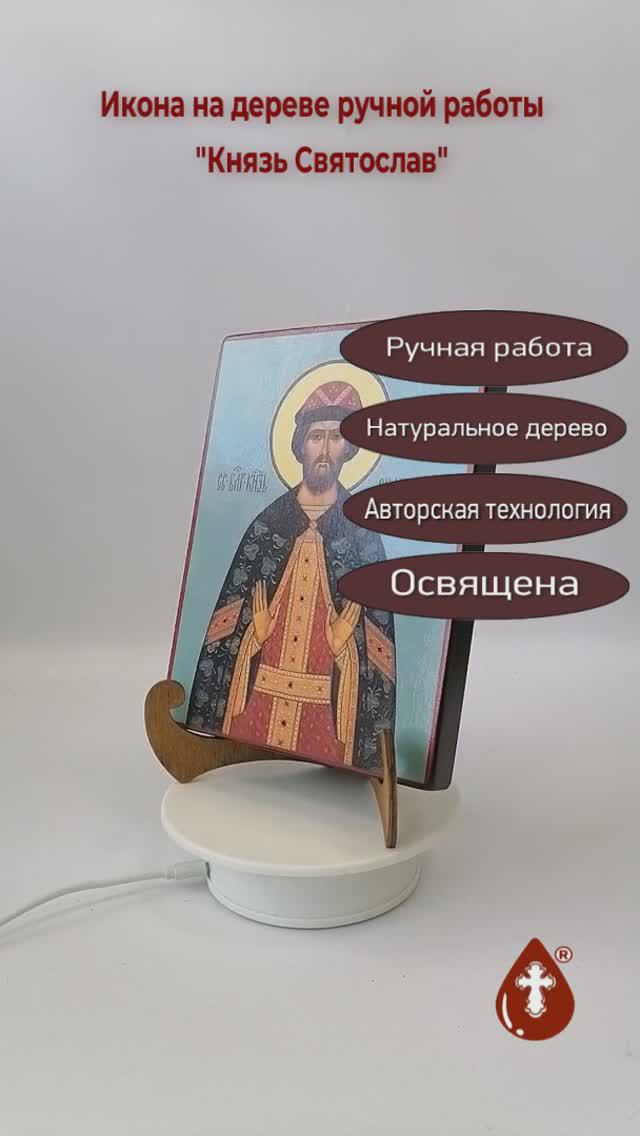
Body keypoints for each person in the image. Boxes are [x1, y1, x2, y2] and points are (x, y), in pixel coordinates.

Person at [187, 379, 396, 771]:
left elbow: (378, 654)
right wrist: (255, 634)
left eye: (336, 437)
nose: (325, 450)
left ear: (349, 449)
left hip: (324, 718)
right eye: (316, 436)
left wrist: (342, 647)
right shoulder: (267, 527)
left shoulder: (362, 536)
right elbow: (223, 633)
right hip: (257, 705)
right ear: (301, 444)